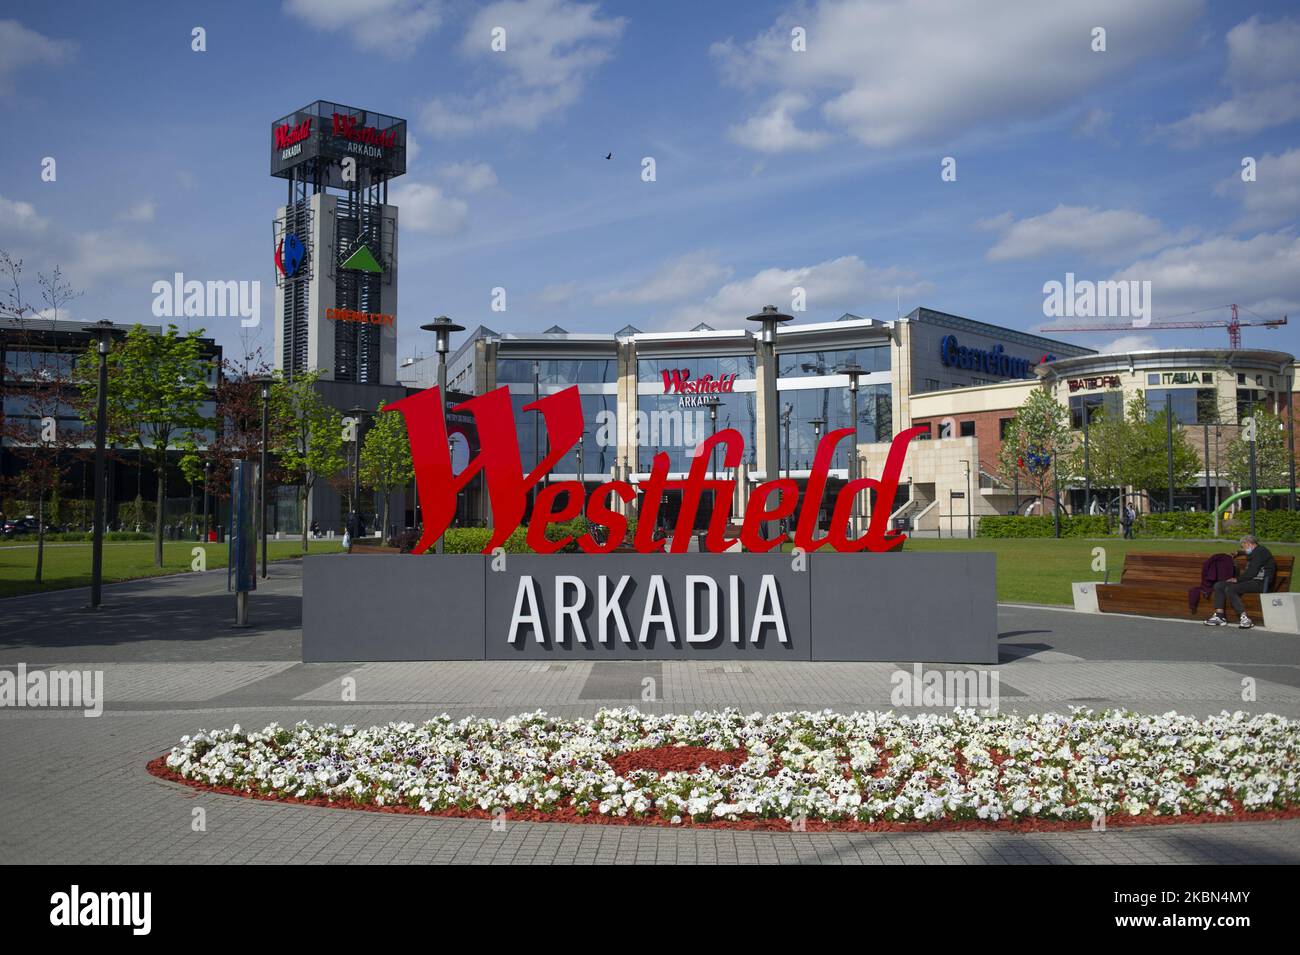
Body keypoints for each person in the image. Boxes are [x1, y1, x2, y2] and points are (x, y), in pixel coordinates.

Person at [1206, 534, 1276, 629]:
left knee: (1231, 588)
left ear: (1248, 543)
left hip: (1261, 582)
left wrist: (1237, 579)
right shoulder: (1256, 551)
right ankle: (1219, 616)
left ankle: (1245, 618)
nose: (1244, 549)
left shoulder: (1260, 553)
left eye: (1243, 546)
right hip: (1251, 581)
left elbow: (1252, 572)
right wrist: (1238, 552)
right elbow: (1247, 554)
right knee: (1219, 585)